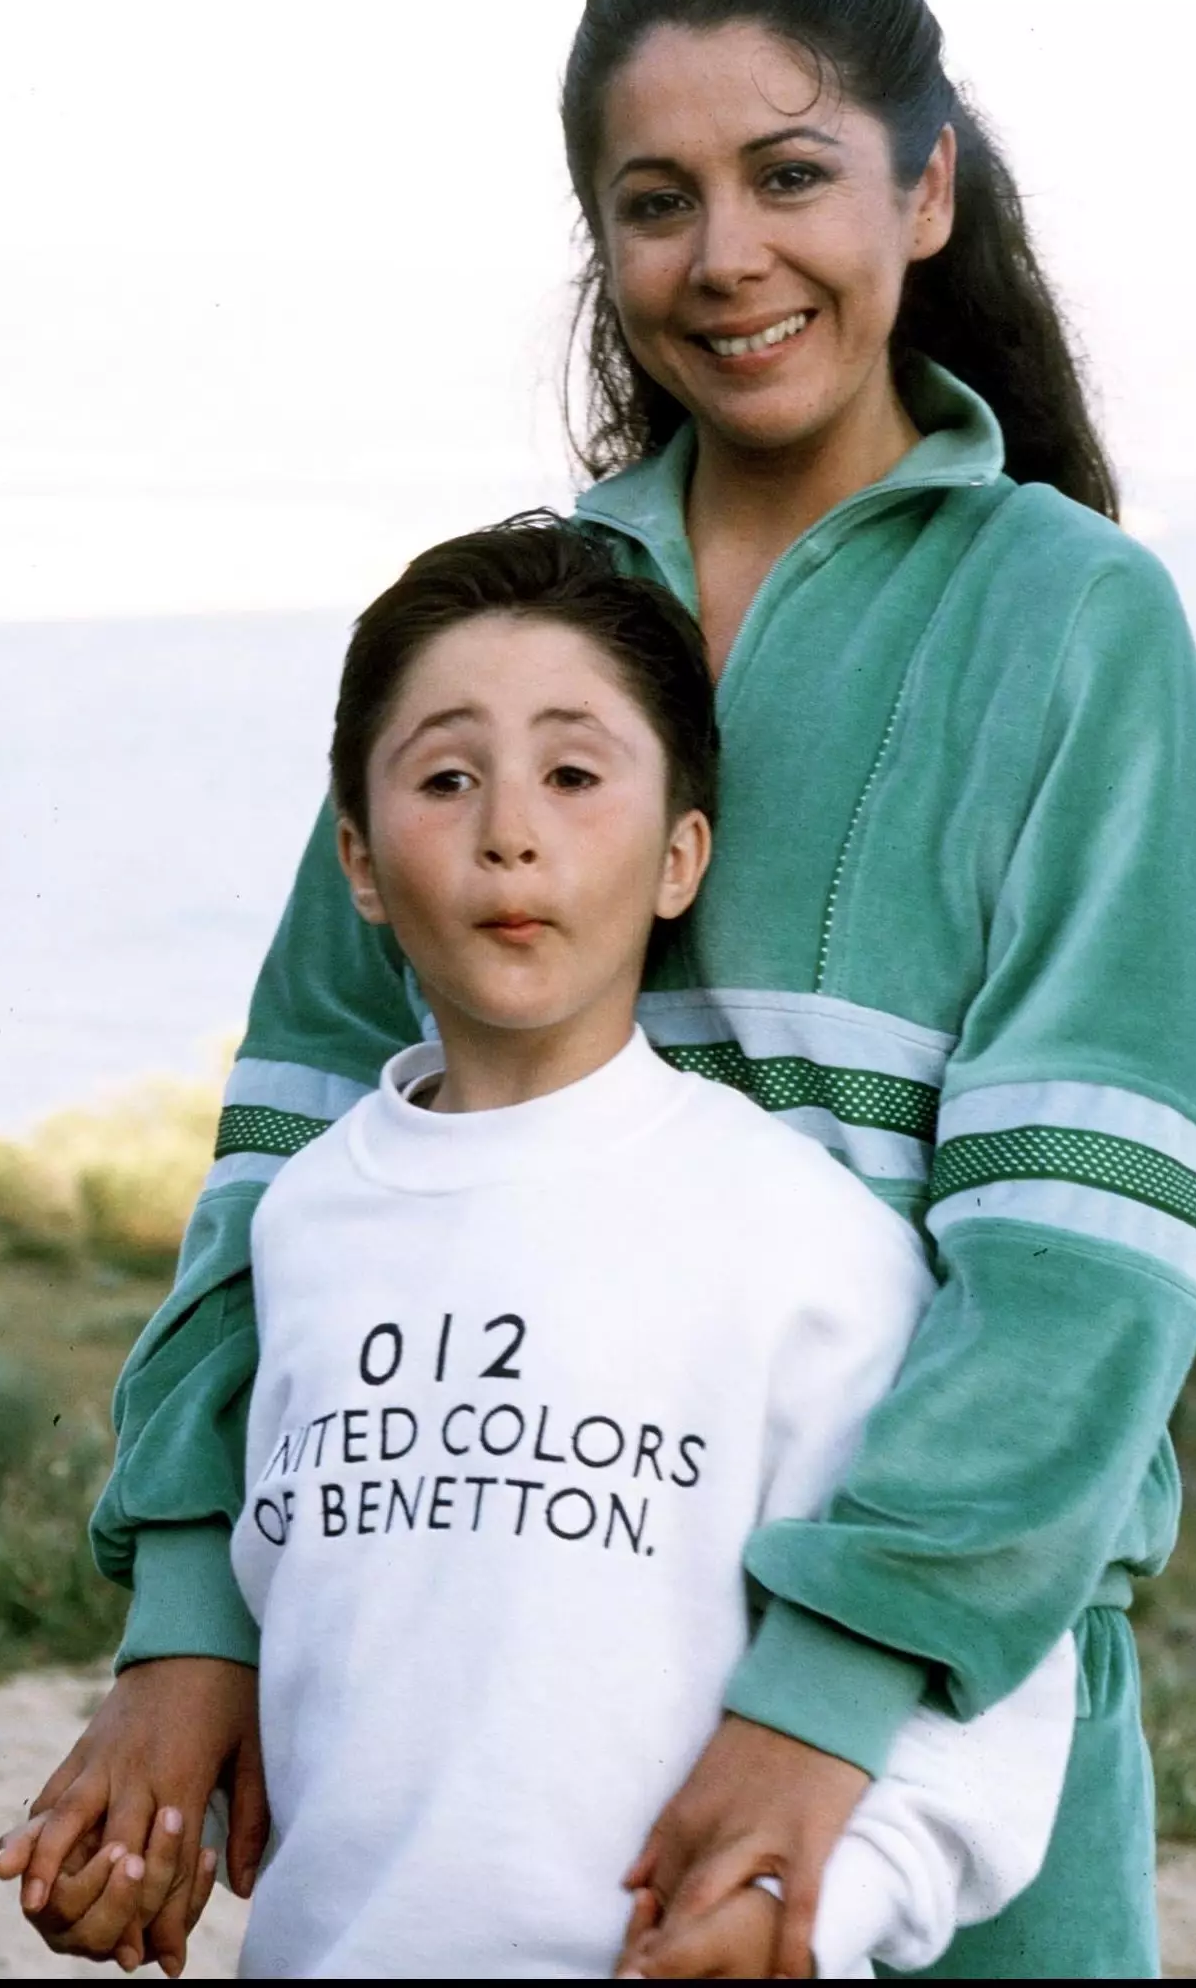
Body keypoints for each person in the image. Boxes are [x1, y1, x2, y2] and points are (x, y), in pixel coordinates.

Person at [0, 0, 1196, 1982]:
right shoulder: (505, 636)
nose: (725, 257)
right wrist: (194, 1618)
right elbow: (289, 1159)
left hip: (920, 1716)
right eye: (653, 204)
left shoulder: (1075, 625)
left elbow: (1080, 1265)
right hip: (491, 1679)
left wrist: (821, 1696)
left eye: (790, 173)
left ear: (922, 188)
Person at [240, 514, 1075, 1977]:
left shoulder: (794, 1235)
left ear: (682, 853)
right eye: (448, 778)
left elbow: (994, 1703)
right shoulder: (307, 1219)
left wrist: (798, 1917)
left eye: (575, 774)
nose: (513, 827)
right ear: (361, 864)